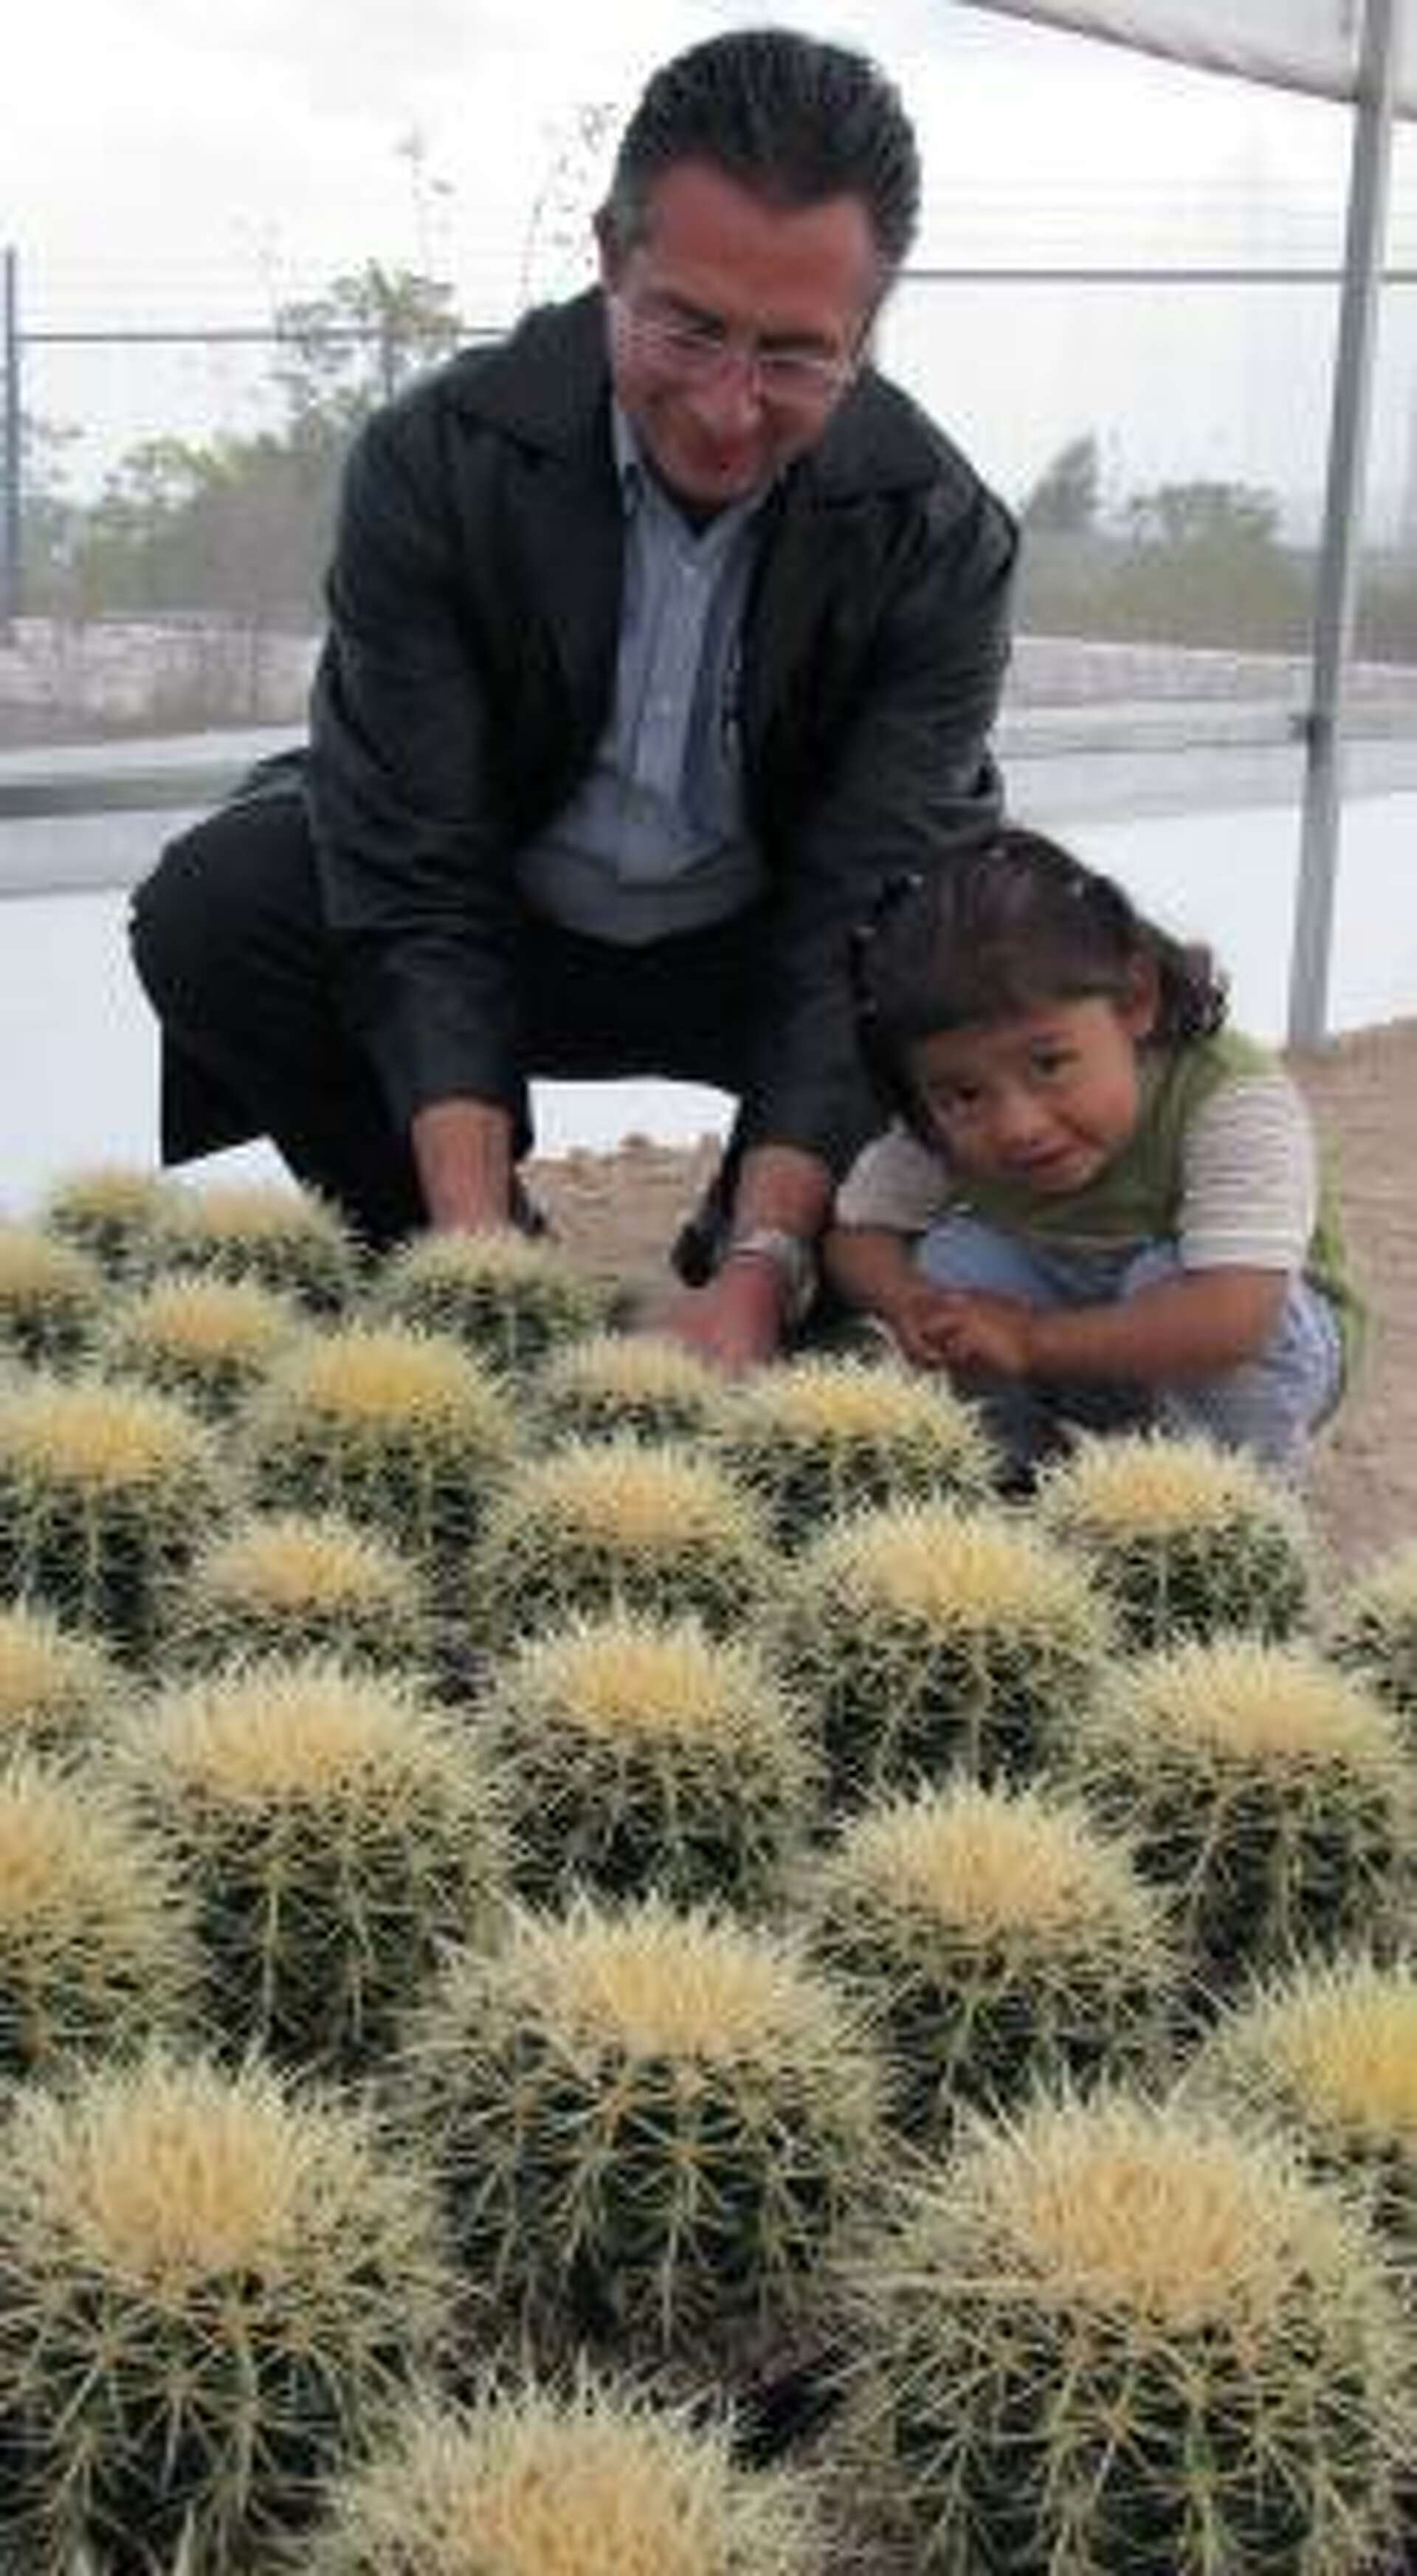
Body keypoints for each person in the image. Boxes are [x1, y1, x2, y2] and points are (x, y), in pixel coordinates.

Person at [128, 26, 1016, 1371]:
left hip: (763, 945)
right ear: (609, 257)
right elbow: (415, 875)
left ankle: (757, 1251)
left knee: (980, 966)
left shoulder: (940, 533)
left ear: (869, 327)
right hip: (507, 915)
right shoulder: (434, 462)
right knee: (222, 903)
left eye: (793, 356)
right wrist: (479, 1240)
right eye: (688, 326)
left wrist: (767, 1265)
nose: (727, 407)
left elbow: (867, 908)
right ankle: (451, 1259)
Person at [826, 826, 1355, 1474]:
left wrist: (1028, 1339)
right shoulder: (939, 1119)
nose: (1017, 1125)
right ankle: (1014, 1479)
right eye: (964, 1094)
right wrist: (913, 1302)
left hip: (1248, 1351)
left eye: (1049, 1063)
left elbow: (1235, 1317)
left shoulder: (1229, 1097)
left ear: (1134, 998)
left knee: (1167, 1280)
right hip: (1078, 1348)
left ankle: (1231, 1510)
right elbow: (858, 1235)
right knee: (950, 1268)